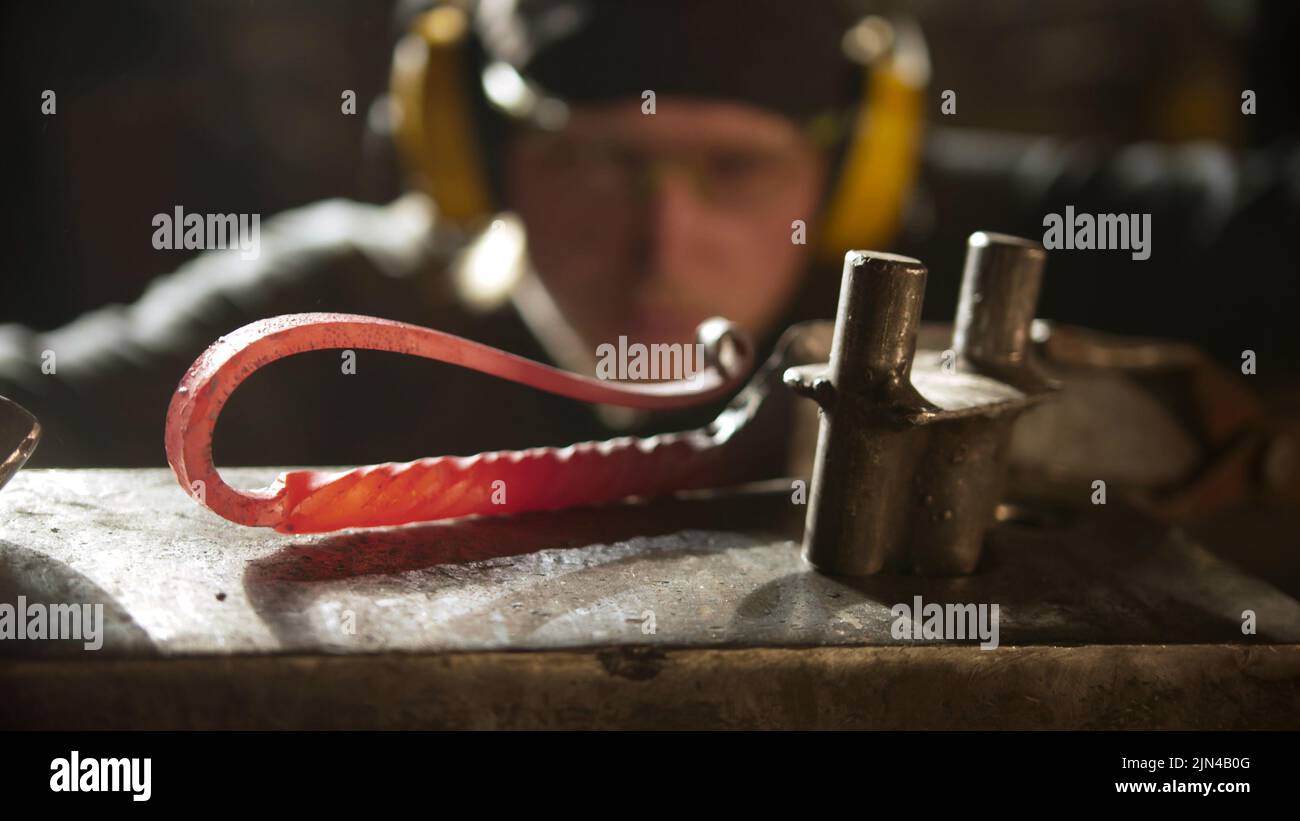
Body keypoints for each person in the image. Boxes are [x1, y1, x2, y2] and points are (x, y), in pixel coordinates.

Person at [1, 0, 1296, 469]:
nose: (661, 244)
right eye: (591, 164)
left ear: (856, 165)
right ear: (471, 150)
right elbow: (43, 392)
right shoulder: (348, 298)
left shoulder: (989, 236)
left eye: (731, 170)